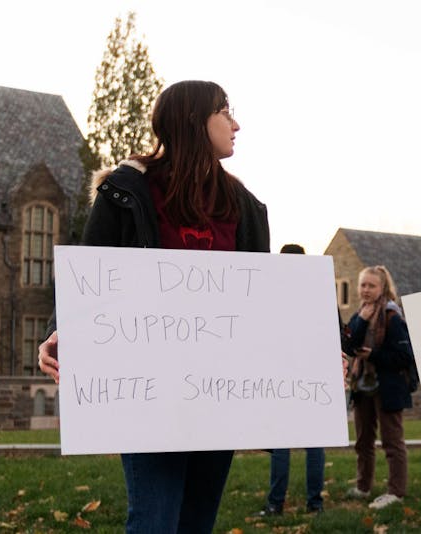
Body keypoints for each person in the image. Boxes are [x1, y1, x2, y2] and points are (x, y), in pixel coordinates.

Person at [37, 80, 270, 533]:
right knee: (155, 520)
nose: (236, 124)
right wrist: (60, 328)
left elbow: (264, 303)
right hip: (149, 393)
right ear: (193, 120)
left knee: (196, 522)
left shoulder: (245, 207)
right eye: (226, 112)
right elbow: (89, 275)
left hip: (217, 394)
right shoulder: (127, 193)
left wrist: (319, 351)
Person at [256, 243, 326, 516]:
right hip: (313, 373)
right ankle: (315, 504)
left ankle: (275, 503)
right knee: (314, 443)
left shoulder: (272, 295)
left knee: (282, 443)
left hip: (283, 373)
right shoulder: (318, 293)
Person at [344, 265, 414, 510]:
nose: (365, 290)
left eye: (371, 285)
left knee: (392, 442)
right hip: (362, 386)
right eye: (363, 285)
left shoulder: (392, 316)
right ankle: (363, 487)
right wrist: (361, 322)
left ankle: (396, 492)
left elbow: (405, 356)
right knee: (363, 442)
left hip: (387, 387)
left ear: (383, 287)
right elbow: (349, 344)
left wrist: (373, 355)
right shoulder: (359, 314)